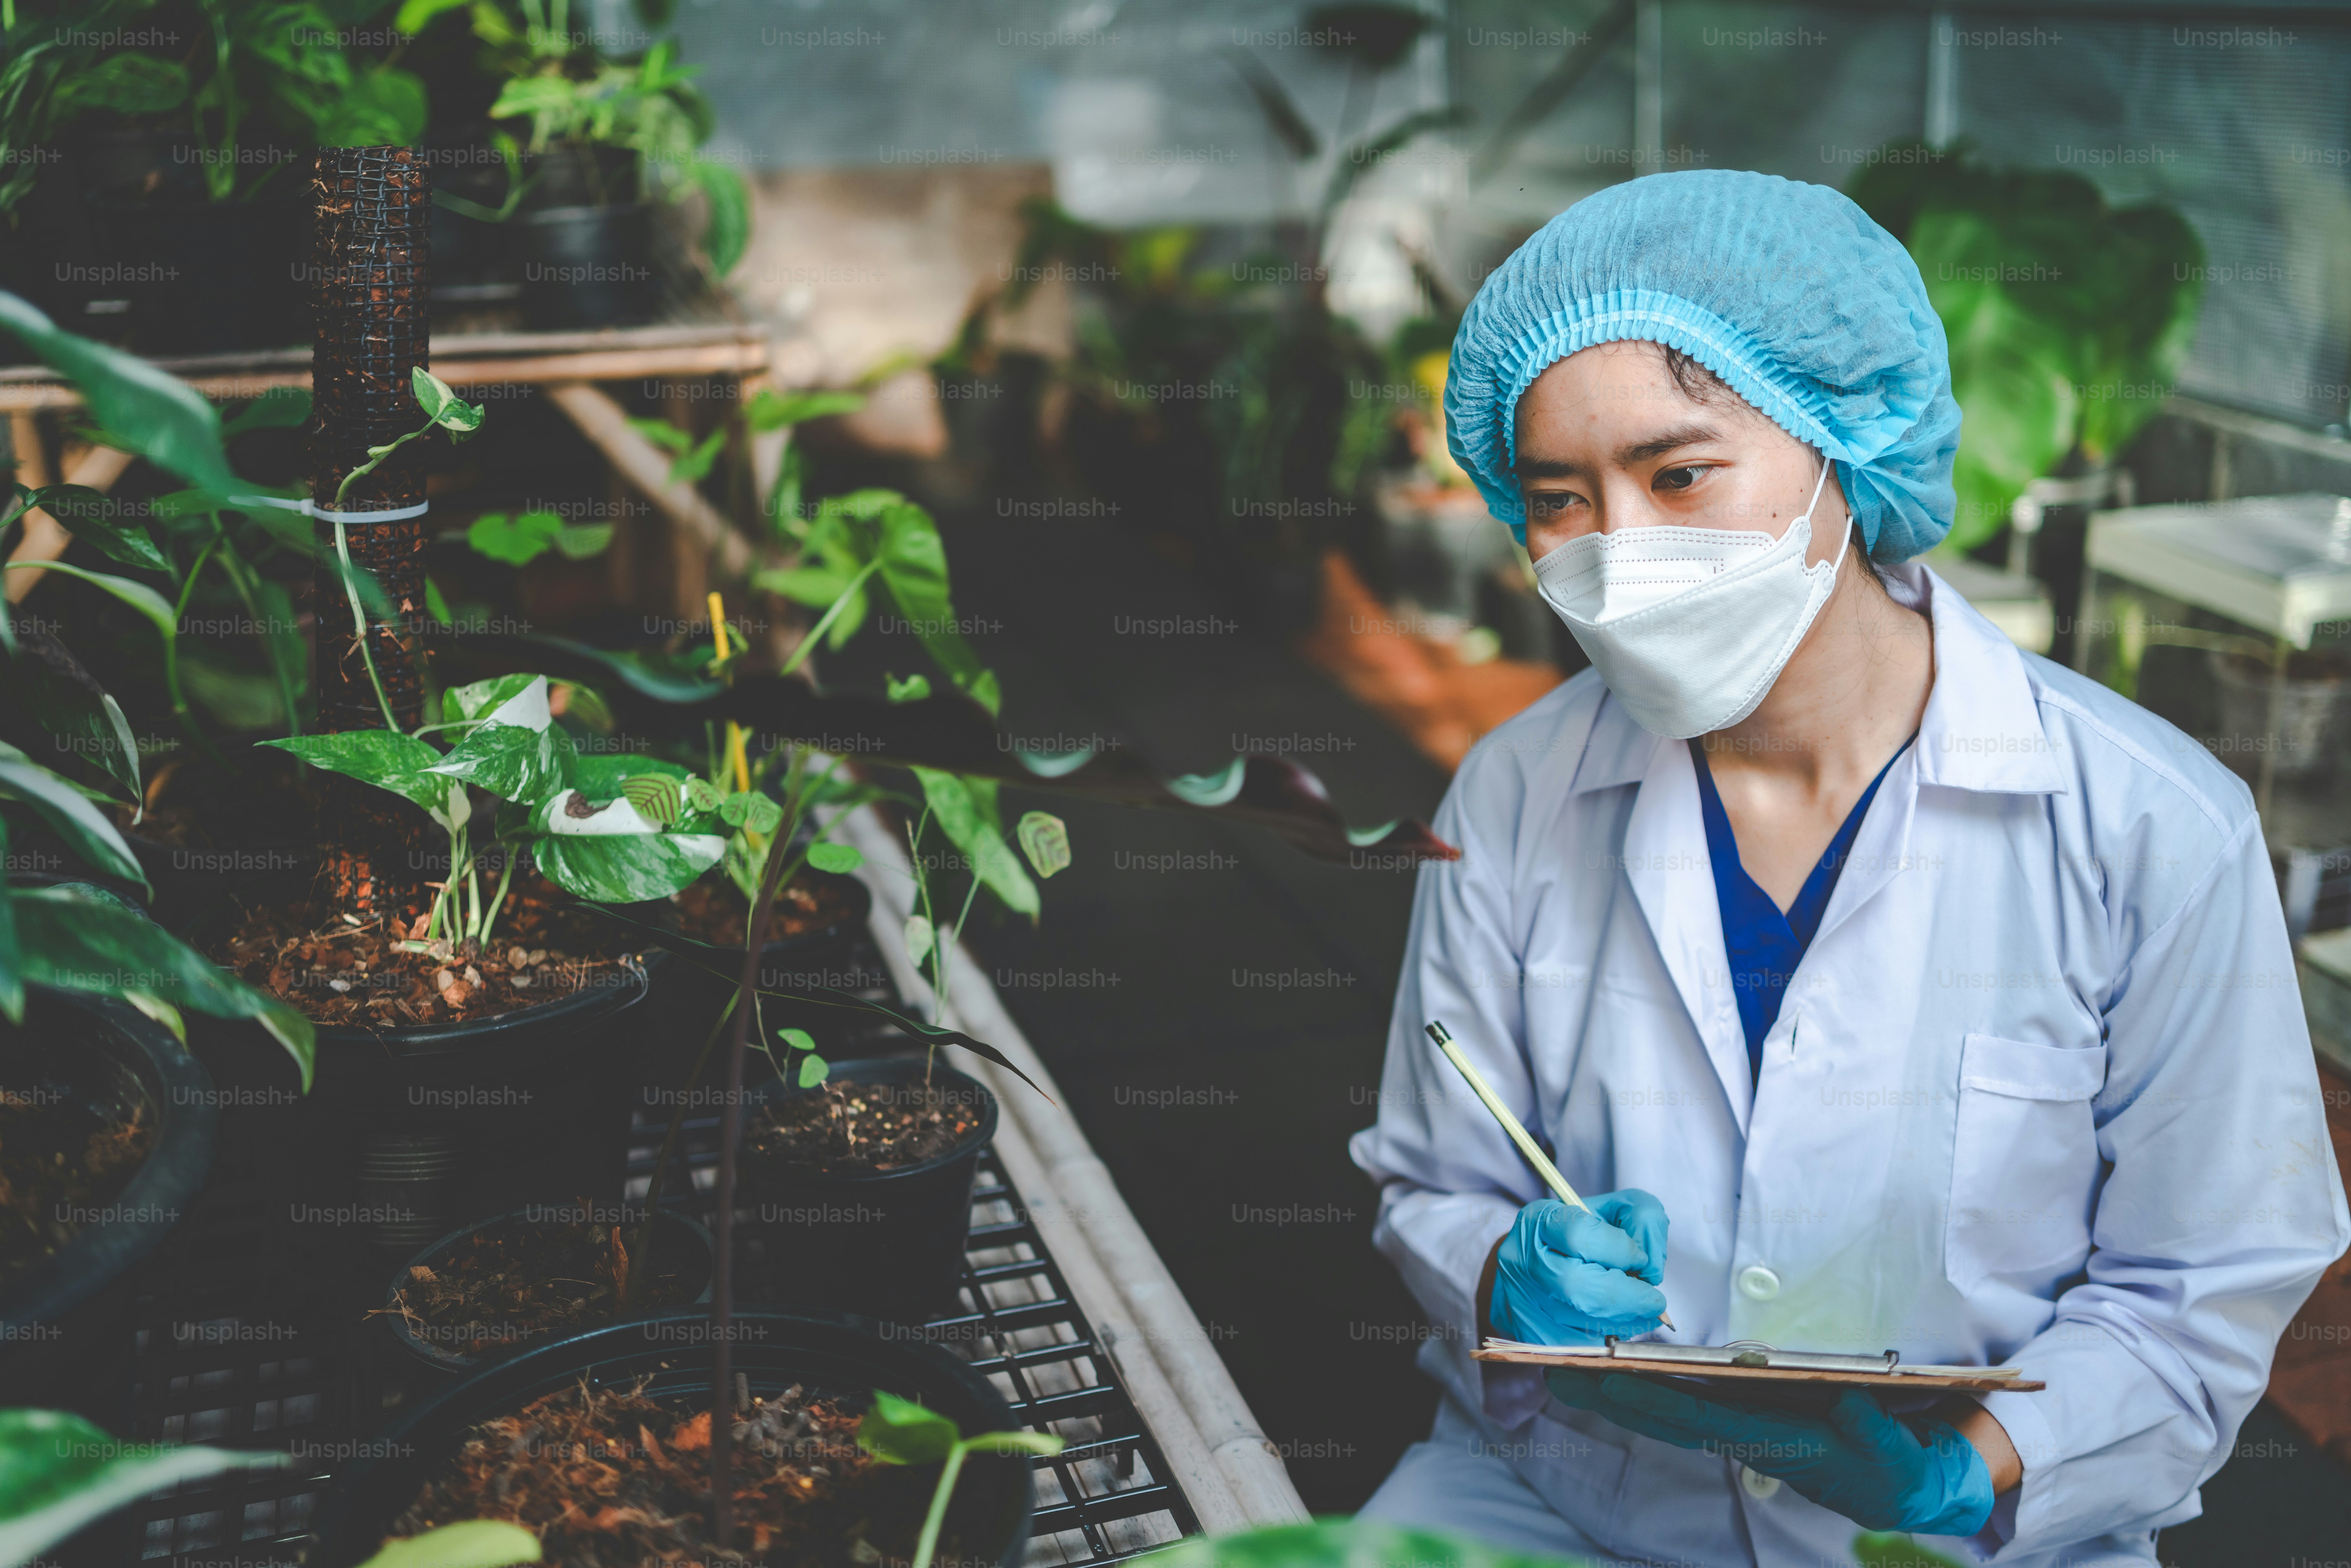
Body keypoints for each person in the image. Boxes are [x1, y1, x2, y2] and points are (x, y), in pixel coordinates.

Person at [1348, 169, 2350, 1567]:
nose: (1619, 548)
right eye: (1559, 498)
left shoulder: (2148, 826)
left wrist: (1971, 1476)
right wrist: (1499, 1274)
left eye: (1680, 472)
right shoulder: (1516, 791)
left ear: (1835, 443)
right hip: (1562, 1496)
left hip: (1977, 1536)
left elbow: (2200, 1282)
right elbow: (1429, 1183)